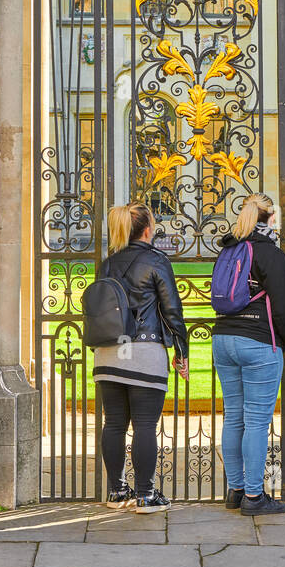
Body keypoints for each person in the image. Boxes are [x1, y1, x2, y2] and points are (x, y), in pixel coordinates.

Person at [94, 202, 189, 511]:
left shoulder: (107, 263)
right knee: (145, 424)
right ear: (148, 229)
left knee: (114, 423)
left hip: (108, 353)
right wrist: (181, 351)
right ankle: (146, 495)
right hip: (144, 351)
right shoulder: (156, 261)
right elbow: (172, 311)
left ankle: (117, 492)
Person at [212, 193, 285, 516]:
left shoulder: (229, 247)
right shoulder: (270, 254)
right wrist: (283, 342)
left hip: (223, 338)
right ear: (270, 218)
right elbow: (284, 305)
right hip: (258, 339)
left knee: (234, 416)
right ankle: (254, 495)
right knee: (257, 421)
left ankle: (234, 490)